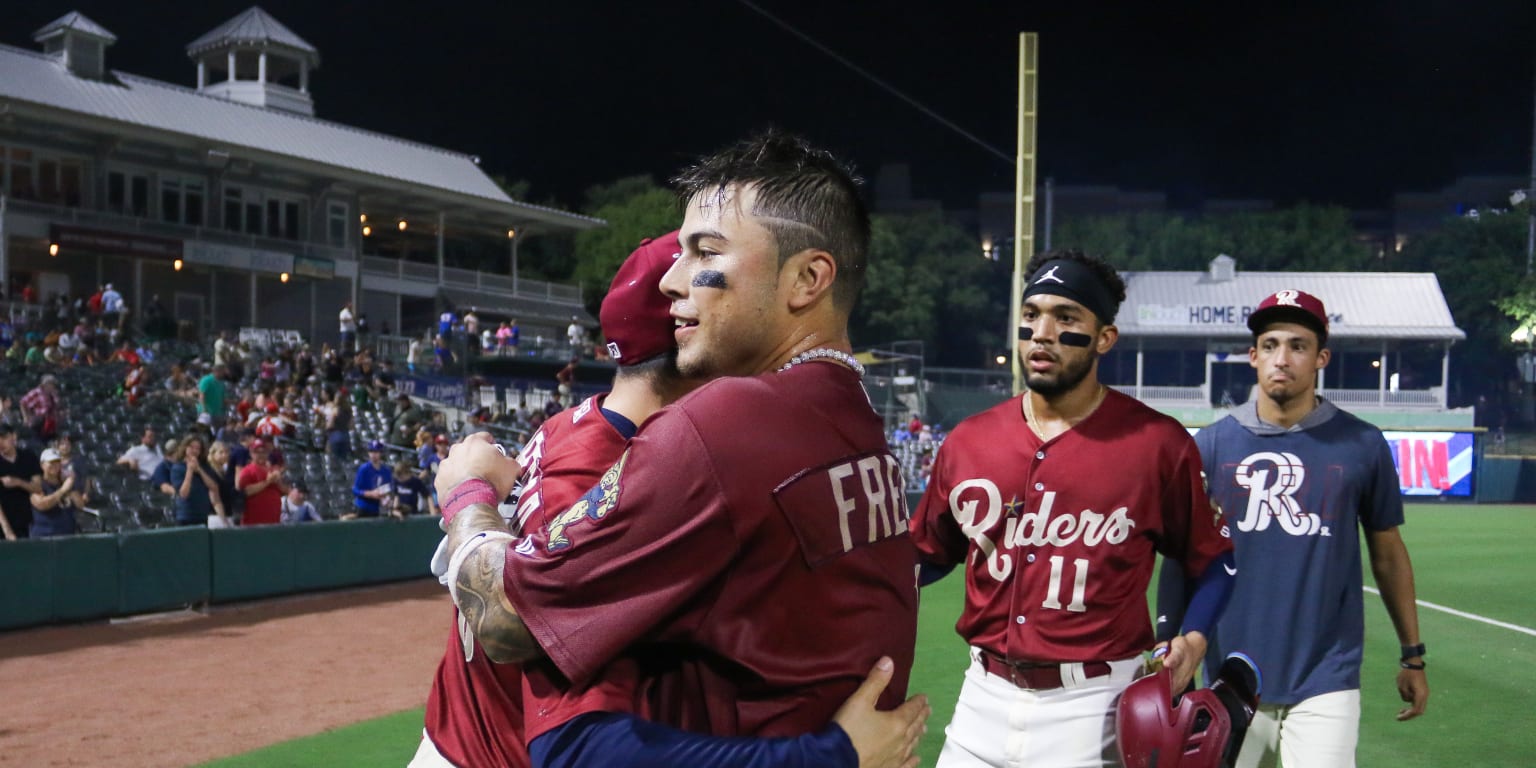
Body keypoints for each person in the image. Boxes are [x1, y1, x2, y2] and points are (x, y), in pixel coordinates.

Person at [430, 133, 926, 768]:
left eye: (706, 251)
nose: (671, 280)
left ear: (808, 278)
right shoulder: (853, 415)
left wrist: (466, 495)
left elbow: (507, 623)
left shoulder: (726, 423)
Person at [910, 249, 1235, 768]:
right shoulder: (968, 441)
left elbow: (1214, 560)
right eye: (1032, 314)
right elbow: (927, 554)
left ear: (1104, 338)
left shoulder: (1157, 444)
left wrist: (1194, 639)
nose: (1042, 331)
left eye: (1066, 318)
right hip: (980, 702)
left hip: (1096, 712)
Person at [1157, 289, 1428, 767]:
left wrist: (1413, 655)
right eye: (1271, 345)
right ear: (1252, 355)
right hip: (1230, 674)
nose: (1282, 359)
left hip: (1326, 677)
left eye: (1298, 346)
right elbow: (1183, 557)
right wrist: (1169, 639)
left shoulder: (1362, 445)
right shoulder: (1211, 445)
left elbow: (1387, 551)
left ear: (1321, 357)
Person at [170, 434, 227, 527]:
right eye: (192, 447)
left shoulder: (205, 466)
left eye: (198, 448)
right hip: (186, 515)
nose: (194, 450)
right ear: (185, 447)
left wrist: (199, 470)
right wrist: (190, 470)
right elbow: (183, 493)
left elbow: (214, 487)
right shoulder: (177, 468)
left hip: (203, 514)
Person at [0, 423, 43, 540]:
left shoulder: (28, 457)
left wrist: (18, 482)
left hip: (25, 522)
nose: (1, 443)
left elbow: (38, 487)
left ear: (14, 436)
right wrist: (7, 530)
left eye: (4, 438)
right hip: (3, 523)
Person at [29, 447, 83, 537]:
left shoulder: (65, 483)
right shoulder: (37, 484)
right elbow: (41, 504)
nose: (55, 465)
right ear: (42, 465)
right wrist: (63, 490)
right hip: (44, 536)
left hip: (68, 535)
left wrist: (71, 485)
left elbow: (80, 504)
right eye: (51, 462)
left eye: (57, 462)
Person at [236, 438, 286, 526]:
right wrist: (267, 482)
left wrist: (277, 481)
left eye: (263, 452)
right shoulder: (247, 470)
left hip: (273, 520)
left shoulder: (273, 470)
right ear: (251, 454)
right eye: (257, 452)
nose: (260, 455)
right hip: (254, 522)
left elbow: (286, 491)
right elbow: (246, 491)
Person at [350, 440, 392, 519]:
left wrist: (385, 497)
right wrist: (370, 494)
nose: (373, 455)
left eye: (376, 452)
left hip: (378, 508)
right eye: (371, 451)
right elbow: (355, 490)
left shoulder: (386, 471)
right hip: (363, 507)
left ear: (381, 453)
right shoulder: (364, 469)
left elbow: (388, 488)